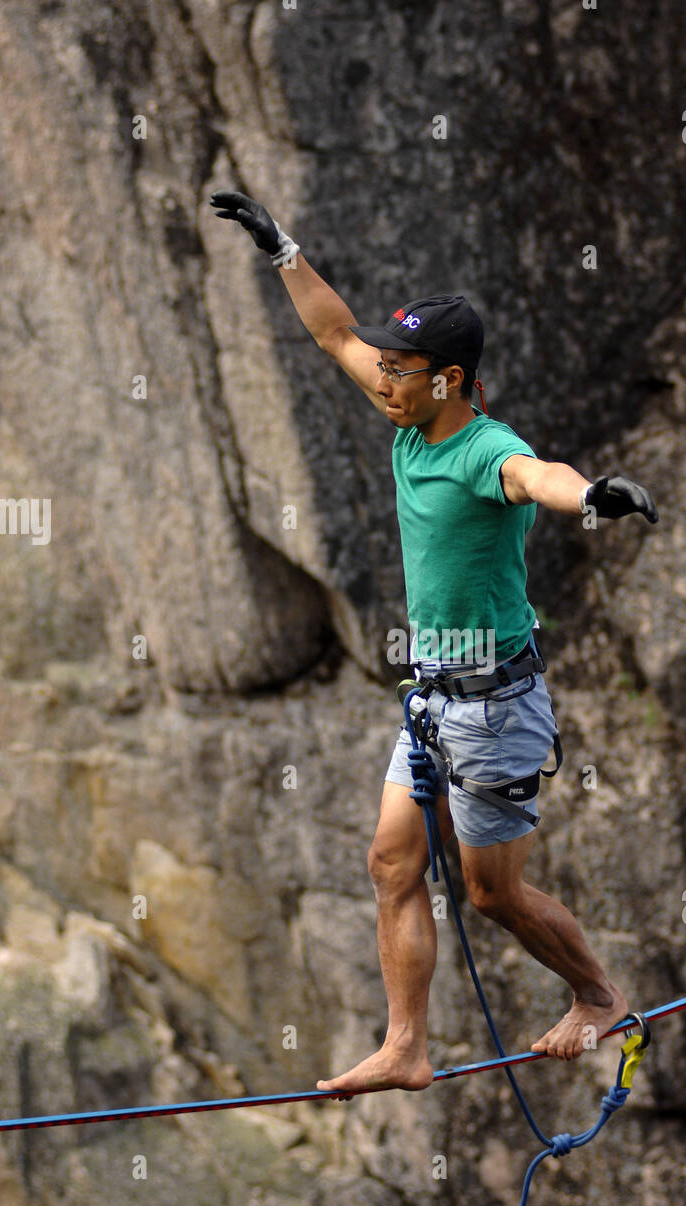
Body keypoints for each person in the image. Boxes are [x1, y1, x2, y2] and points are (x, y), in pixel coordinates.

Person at [209, 190, 658, 1095]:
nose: (382, 379)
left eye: (401, 369)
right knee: (391, 862)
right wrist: (281, 249)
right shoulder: (409, 418)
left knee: (490, 894)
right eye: (387, 366)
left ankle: (599, 995)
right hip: (433, 696)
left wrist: (594, 495)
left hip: (495, 708)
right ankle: (406, 1045)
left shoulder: (486, 450)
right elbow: (337, 335)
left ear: (447, 379)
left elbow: (542, 478)